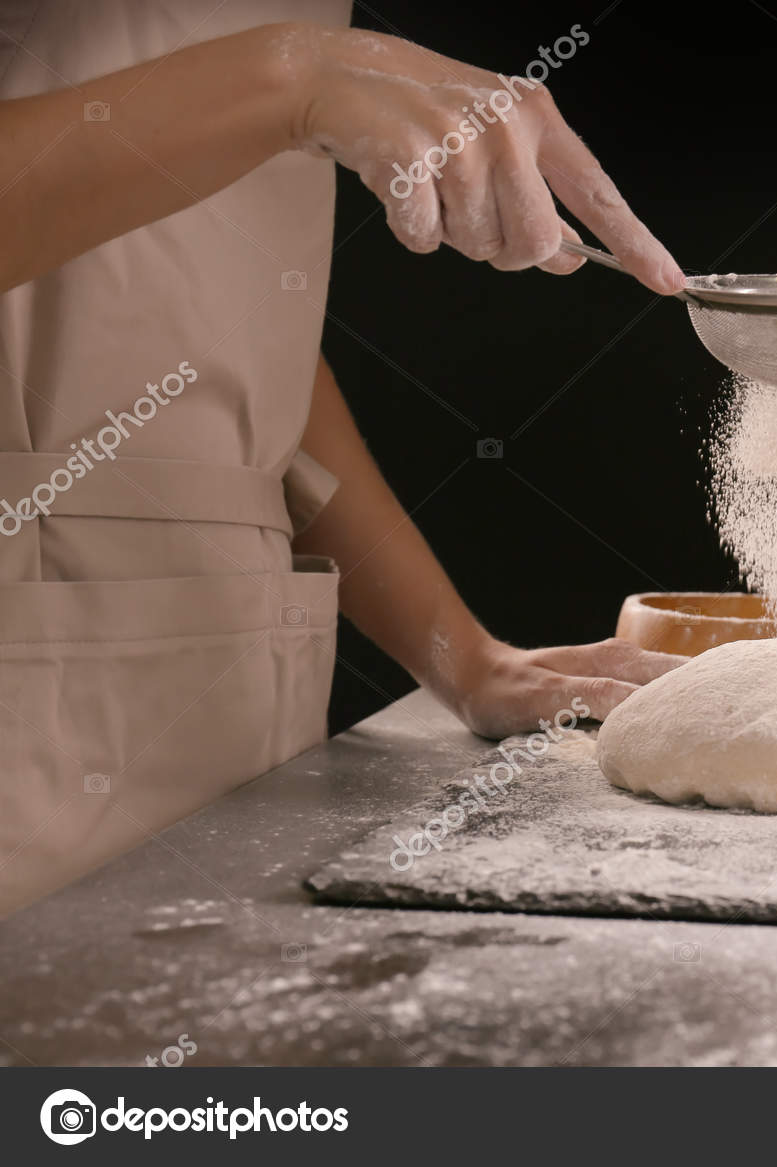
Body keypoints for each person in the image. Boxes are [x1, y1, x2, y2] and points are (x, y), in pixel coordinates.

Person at [0, 2, 684, 914]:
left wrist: (463, 658)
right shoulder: (297, 65)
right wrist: (296, 76)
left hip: (239, 689)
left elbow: (235, 343)